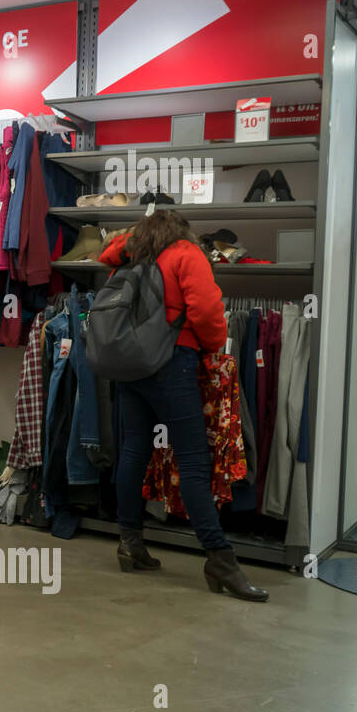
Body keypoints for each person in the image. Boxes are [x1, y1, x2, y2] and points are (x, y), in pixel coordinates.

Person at [98, 211, 268, 601]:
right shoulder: (186, 253)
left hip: (129, 365)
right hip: (172, 363)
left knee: (133, 452)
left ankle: (130, 542)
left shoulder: (130, 255)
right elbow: (207, 313)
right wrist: (211, 347)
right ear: (183, 231)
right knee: (193, 461)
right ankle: (220, 559)